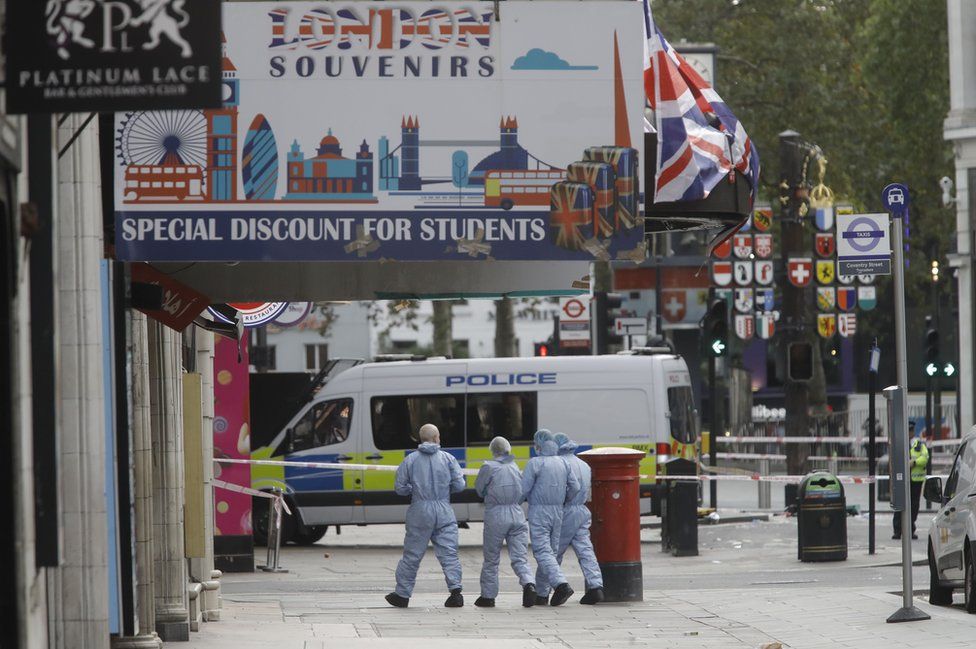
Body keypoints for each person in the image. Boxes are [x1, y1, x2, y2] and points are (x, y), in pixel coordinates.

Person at [385, 423, 466, 608]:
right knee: (449, 553)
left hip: (419, 510)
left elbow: (399, 488)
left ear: (420, 439)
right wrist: (445, 491)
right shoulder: (448, 459)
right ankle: (456, 593)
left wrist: (413, 490)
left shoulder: (410, 460)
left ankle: (402, 595)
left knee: (412, 554)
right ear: (437, 437)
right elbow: (460, 485)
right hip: (444, 509)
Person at [534, 433, 605, 605]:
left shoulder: (561, 464)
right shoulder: (584, 464)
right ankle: (596, 587)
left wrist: (564, 500)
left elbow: (570, 488)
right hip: (582, 510)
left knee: (552, 552)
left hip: (566, 511)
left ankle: (542, 593)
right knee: (585, 550)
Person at [473, 436, 536, 608]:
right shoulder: (514, 466)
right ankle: (529, 583)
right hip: (517, 513)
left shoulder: (488, 466)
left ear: (493, 450)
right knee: (520, 556)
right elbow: (523, 490)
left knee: (492, 558)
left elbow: (479, 489)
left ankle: (488, 596)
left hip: (496, 514)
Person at [522, 429, 580, 607]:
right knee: (551, 553)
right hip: (558, 512)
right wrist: (564, 500)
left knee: (542, 552)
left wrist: (514, 504)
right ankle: (541, 594)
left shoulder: (535, 463)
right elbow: (575, 487)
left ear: (538, 445)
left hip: (539, 511)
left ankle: (561, 585)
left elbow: (523, 489)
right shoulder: (563, 462)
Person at [893, 427, 929, 540]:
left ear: (913, 432)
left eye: (910, 431)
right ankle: (897, 531)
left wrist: (914, 462)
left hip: (915, 480)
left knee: (913, 506)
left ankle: (910, 529)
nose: (909, 433)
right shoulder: (899, 443)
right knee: (900, 503)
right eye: (907, 431)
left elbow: (925, 457)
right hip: (901, 479)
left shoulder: (919, 444)